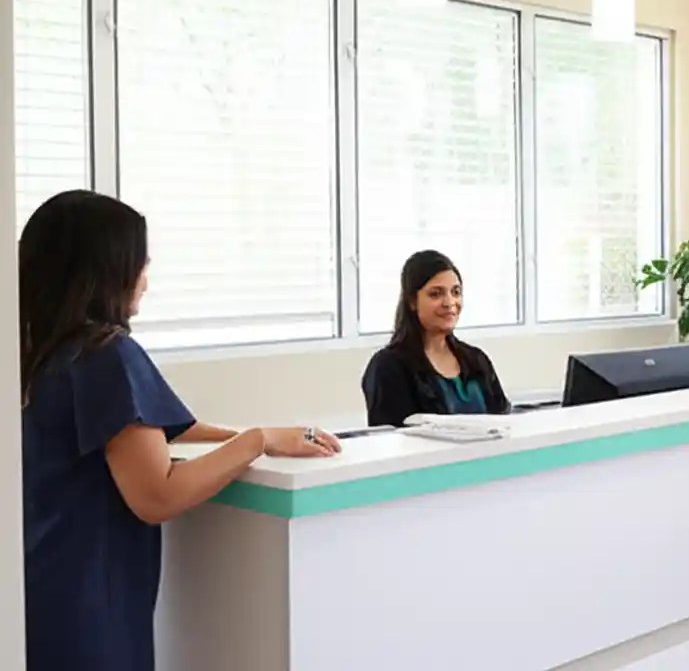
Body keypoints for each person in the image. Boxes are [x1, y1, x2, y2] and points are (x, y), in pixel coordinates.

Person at [20, 190, 342, 671]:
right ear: (107, 269)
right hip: (90, 611)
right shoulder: (107, 354)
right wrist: (257, 440)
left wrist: (242, 435)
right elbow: (157, 495)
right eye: (141, 264)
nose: (146, 280)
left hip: (40, 591)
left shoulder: (39, 354)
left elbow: (145, 426)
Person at [362, 250, 510, 425]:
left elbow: (504, 422)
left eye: (456, 292)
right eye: (436, 294)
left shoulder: (476, 360)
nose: (449, 303)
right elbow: (390, 435)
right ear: (412, 302)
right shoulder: (389, 366)